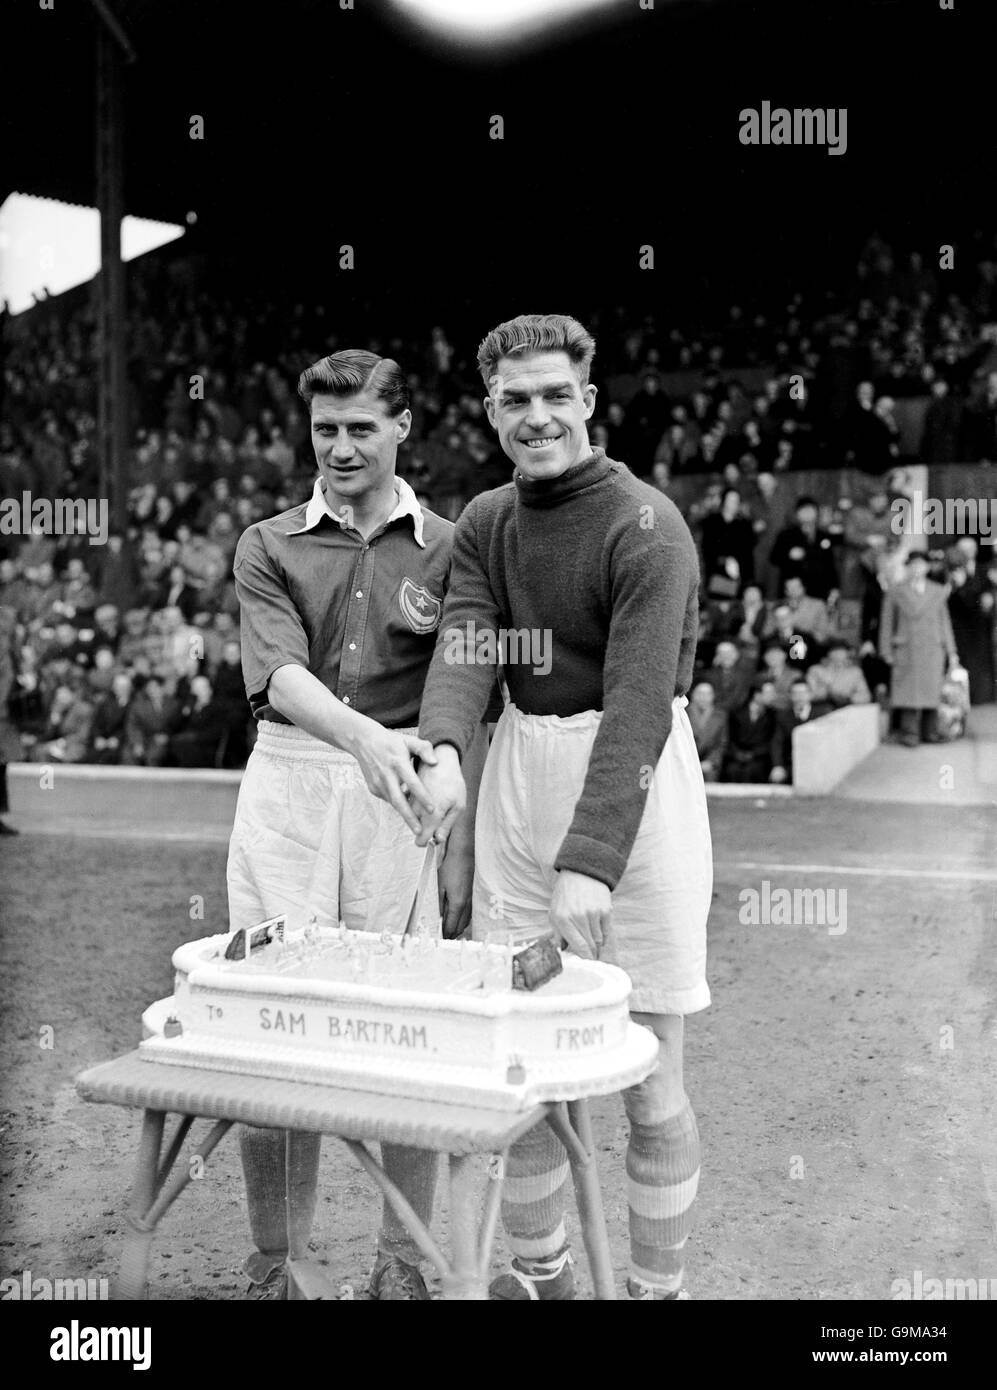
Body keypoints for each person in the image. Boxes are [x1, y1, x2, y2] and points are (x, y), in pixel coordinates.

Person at [415, 314, 712, 1301]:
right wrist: (448, 755)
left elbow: (637, 706)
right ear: (491, 410)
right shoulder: (488, 521)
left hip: (633, 788)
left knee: (648, 1068)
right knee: (527, 1060)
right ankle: (541, 1275)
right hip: (520, 780)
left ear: (587, 400)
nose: (535, 416)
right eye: (514, 400)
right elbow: (466, 640)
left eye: (554, 395)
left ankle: (654, 1287)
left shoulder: (647, 525)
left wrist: (591, 855)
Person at [228, 349, 484, 1301]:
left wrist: (447, 821)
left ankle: (399, 1261)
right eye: (324, 429)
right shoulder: (267, 542)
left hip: (407, 789)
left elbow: (465, 679)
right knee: (267, 1032)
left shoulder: (454, 544)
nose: (339, 448)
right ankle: (276, 1262)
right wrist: (364, 740)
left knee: (402, 1034)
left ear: (403, 427)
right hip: (291, 783)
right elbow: (280, 678)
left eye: (360, 429)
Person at [879, 550, 959, 746]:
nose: (917, 569)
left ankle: (930, 732)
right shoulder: (896, 591)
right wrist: (886, 650)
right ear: (907, 567)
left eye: (921, 565)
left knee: (932, 690)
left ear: (927, 568)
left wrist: (952, 651)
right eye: (913, 565)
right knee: (909, 691)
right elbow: (887, 623)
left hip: (932, 648)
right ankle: (909, 733)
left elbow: (944, 622)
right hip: (907, 648)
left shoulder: (937, 591)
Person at [805, 640, 872, 709]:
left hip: (847, 710)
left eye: (842, 651)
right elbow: (806, 695)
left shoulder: (855, 672)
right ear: (829, 653)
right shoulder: (815, 671)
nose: (838, 654)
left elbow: (866, 696)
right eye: (835, 651)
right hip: (820, 709)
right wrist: (827, 694)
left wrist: (849, 698)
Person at [687, 679, 728, 782]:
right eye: (700, 693)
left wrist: (710, 761)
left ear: (713, 696)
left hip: (708, 762)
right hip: (686, 760)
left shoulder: (720, 716)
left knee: (710, 773)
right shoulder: (684, 714)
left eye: (707, 694)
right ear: (693, 695)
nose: (703, 697)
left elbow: (721, 744)